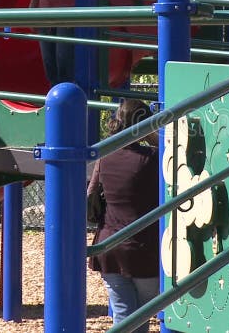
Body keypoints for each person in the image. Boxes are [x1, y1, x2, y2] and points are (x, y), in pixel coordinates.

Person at [88, 100, 159, 331]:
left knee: (122, 316)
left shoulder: (105, 155)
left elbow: (91, 195)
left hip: (109, 244)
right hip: (144, 248)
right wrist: (152, 135)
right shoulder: (152, 158)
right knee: (142, 316)